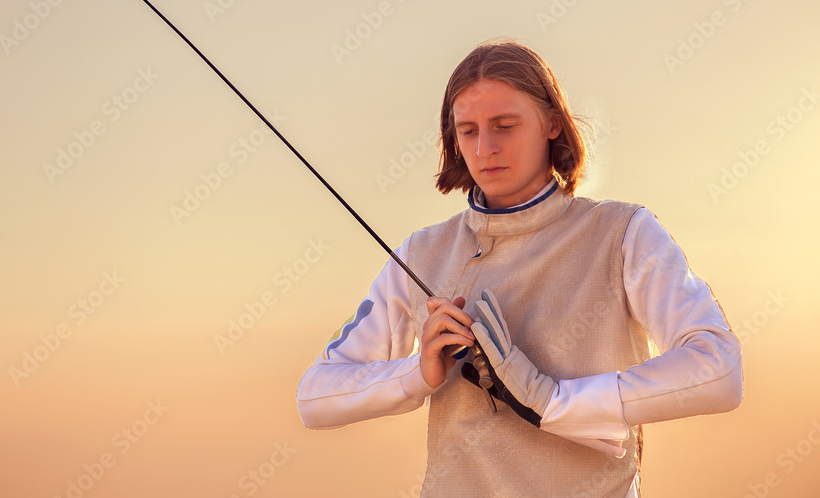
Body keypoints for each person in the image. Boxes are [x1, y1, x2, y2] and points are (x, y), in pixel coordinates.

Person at [296, 40, 743, 497]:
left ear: (552, 123)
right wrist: (418, 373)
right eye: (467, 131)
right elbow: (315, 396)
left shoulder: (624, 233)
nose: (485, 148)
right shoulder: (422, 252)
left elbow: (719, 370)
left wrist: (551, 399)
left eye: (504, 126)